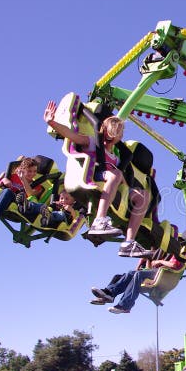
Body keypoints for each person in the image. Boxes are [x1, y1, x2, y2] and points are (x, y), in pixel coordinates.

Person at [43, 100, 151, 257]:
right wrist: (51, 122)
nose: (112, 136)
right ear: (104, 130)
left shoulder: (116, 156)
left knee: (144, 196)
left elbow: (122, 179)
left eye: (117, 133)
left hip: (110, 181)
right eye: (111, 131)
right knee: (116, 174)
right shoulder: (92, 142)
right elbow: (71, 135)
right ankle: (100, 220)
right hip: (95, 175)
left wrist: (126, 186)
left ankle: (128, 243)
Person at [90, 251, 184, 313]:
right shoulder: (164, 253)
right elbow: (149, 267)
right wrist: (146, 259)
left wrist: (160, 261)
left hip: (165, 275)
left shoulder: (177, 253)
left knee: (138, 274)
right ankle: (110, 294)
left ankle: (125, 306)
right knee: (127, 274)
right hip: (157, 272)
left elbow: (175, 265)